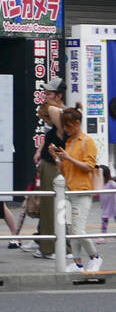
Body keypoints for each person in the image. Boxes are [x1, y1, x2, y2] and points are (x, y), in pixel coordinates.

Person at [51, 107, 102, 273]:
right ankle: (77, 262)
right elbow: (64, 169)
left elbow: (88, 167)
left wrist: (68, 158)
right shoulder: (69, 142)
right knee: (70, 228)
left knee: (78, 229)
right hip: (68, 190)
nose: (65, 129)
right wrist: (57, 158)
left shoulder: (87, 142)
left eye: (68, 125)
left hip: (81, 191)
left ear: (77, 123)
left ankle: (95, 257)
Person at [32, 77, 66, 260]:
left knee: (51, 205)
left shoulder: (58, 111)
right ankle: (49, 245)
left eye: (49, 93)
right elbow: (49, 135)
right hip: (50, 161)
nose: (46, 96)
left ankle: (49, 248)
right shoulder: (58, 111)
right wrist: (39, 150)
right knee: (51, 205)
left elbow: (61, 134)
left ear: (59, 95)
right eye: (45, 93)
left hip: (55, 164)